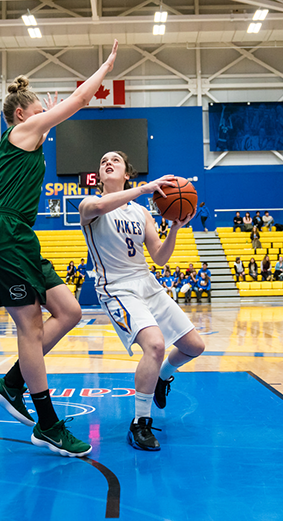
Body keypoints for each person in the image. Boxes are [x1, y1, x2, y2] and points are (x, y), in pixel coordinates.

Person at [0, 41, 118, 458]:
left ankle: (13, 382)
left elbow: (55, 114)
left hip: (20, 236)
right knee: (31, 329)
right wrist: (105, 67)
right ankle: (48, 424)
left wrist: (46, 115)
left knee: (70, 311)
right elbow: (77, 100)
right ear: (21, 114)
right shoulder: (20, 131)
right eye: (40, 112)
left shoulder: (27, 136)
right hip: (3, 235)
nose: (45, 119)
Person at [79, 150, 205, 451]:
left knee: (194, 346)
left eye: (115, 160)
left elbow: (160, 258)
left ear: (126, 173)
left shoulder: (141, 213)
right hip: (116, 287)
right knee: (156, 345)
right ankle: (140, 422)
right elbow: (98, 204)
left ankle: (162, 377)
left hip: (147, 282)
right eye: (102, 160)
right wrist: (146, 189)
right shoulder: (90, 205)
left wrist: (175, 227)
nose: (107, 162)